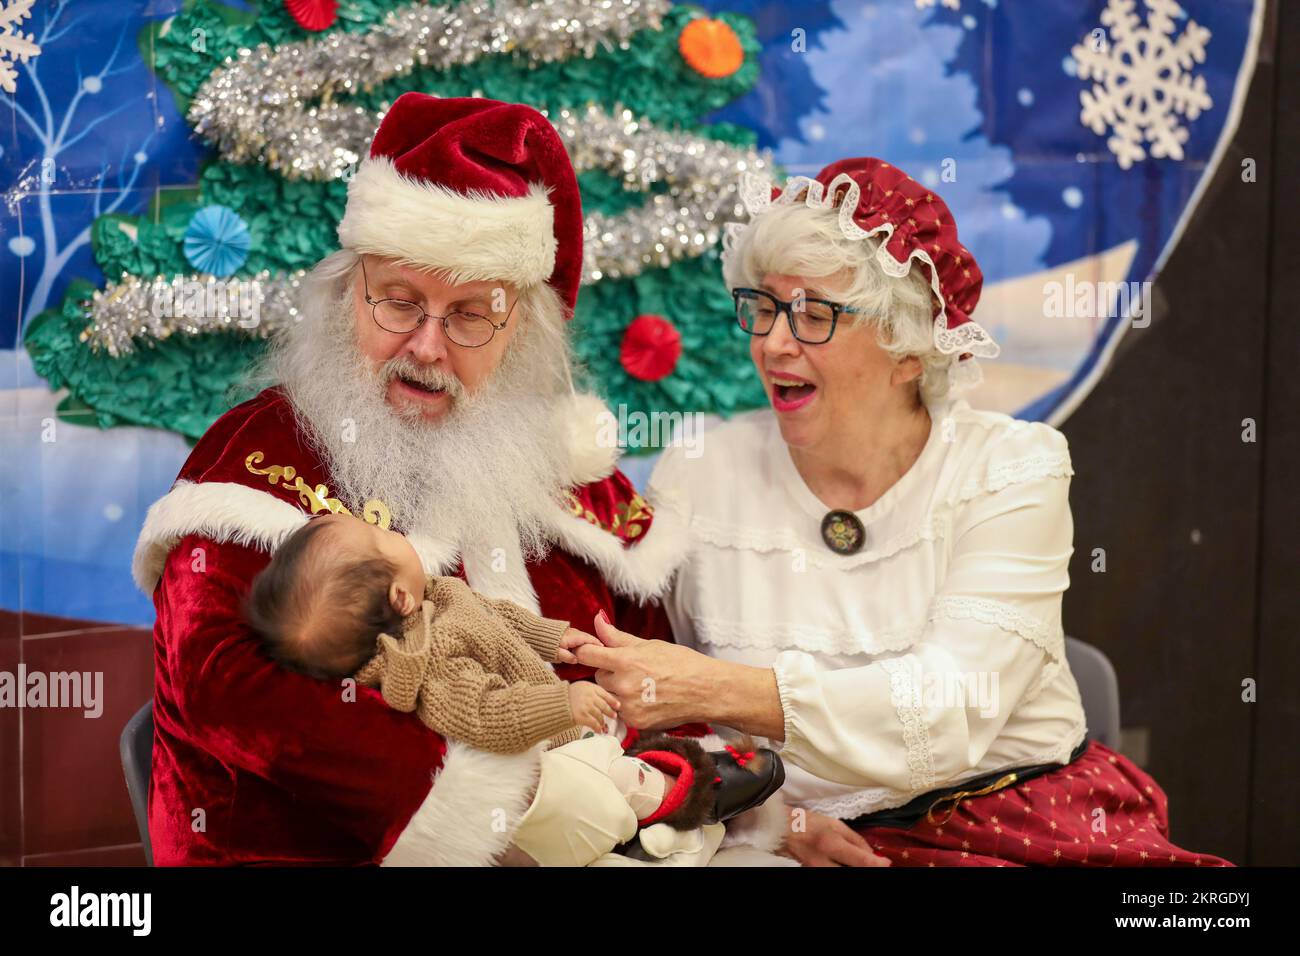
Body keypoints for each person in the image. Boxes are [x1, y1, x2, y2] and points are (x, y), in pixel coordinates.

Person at [133, 94, 783, 866]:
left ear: (522, 332)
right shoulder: (259, 463)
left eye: (471, 315)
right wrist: (524, 802)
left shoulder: (562, 473)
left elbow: (653, 666)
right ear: (349, 297)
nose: (428, 346)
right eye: (399, 302)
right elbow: (224, 687)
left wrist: (715, 798)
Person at [576, 157, 1234, 867]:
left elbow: (948, 710)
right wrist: (772, 820)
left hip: (1017, 820)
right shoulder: (704, 469)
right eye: (764, 307)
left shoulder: (1010, 467)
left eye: (815, 315)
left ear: (909, 351)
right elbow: (639, 706)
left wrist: (725, 689)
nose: (772, 342)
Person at [242, 510, 772, 845]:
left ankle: (670, 804)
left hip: (573, 731)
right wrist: (563, 703)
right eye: (380, 538)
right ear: (398, 599)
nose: (389, 529)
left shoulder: (440, 596)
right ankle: (688, 798)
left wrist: (551, 638)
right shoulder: (437, 672)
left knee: (615, 760)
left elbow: (497, 616)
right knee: (618, 783)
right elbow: (491, 714)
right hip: (558, 754)